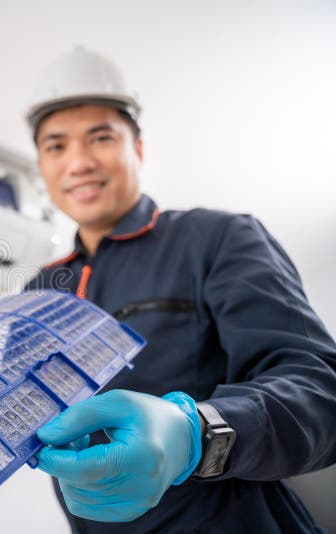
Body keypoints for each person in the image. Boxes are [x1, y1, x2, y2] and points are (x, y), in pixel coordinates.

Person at [22, 47, 336, 532]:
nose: (78, 161)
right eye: (56, 146)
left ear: (138, 149)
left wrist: (198, 434)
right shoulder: (40, 290)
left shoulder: (217, 238)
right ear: (42, 165)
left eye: (100, 137)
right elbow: (19, 414)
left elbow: (320, 390)